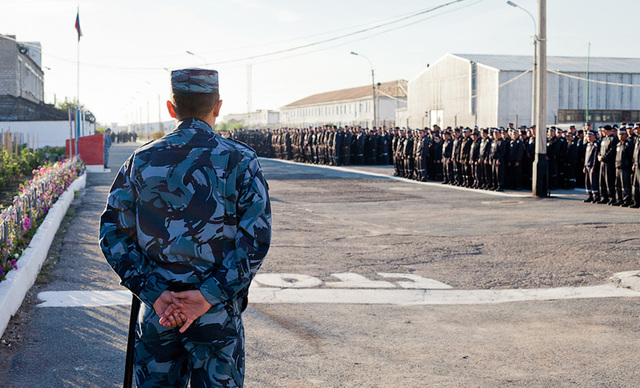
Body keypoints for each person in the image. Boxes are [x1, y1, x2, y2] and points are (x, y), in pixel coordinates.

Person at [99, 68, 271, 387]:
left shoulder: (142, 160)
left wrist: (156, 293)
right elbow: (255, 240)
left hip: (158, 315)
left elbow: (113, 235)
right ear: (217, 107)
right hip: (217, 316)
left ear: (171, 108)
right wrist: (207, 296)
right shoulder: (241, 161)